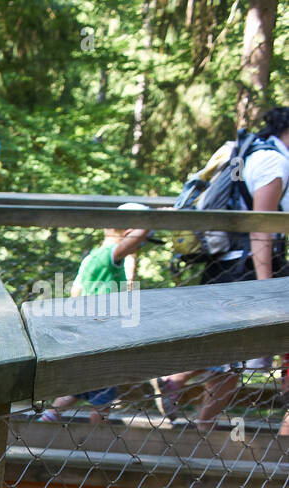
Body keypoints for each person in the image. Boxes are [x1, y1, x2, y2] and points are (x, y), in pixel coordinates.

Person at [157, 107, 289, 432]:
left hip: (225, 264)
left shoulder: (255, 151)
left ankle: (182, 397)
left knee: (228, 356)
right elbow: (262, 228)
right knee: (234, 358)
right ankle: (184, 398)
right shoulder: (275, 162)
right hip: (245, 270)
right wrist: (265, 290)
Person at [40, 204, 153, 424]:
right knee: (103, 399)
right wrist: (153, 219)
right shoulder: (107, 258)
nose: (140, 247)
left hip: (86, 335)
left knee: (78, 388)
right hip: (101, 338)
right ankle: (96, 444)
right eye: (142, 242)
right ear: (129, 235)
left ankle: (45, 420)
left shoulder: (91, 258)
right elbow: (131, 242)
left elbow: (76, 292)